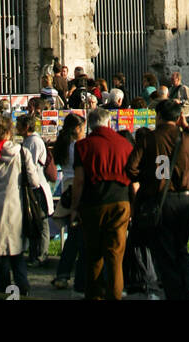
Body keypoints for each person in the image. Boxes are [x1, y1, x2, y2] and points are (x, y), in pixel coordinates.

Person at [127, 97, 189, 300]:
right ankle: (186, 288)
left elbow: (131, 168)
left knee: (164, 251)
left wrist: (147, 177)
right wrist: (187, 127)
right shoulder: (188, 140)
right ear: (179, 117)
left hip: (160, 200)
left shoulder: (149, 139)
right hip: (185, 199)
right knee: (181, 247)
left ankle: (175, 293)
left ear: (159, 116)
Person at [69, 108, 135, 301]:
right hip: (121, 201)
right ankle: (115, 297)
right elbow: (134, 180)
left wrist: (74, 207)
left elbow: (79, 181)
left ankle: (95, 295)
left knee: (94, 256)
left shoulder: (83, 146)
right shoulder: (125, 145)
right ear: (109, 123)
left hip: (93, 203)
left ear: (90, 124)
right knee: (115, 257)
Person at [0, 113, 47, 297]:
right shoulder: (21, 152)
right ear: (8, 132)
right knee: (18, 258)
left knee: (0, 260)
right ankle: (22, 291)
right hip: (17, 207)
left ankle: (6, 294)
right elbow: (34, 180)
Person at [51, 113, 86, 292]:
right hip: (76, 189)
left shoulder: (63, 145)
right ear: (77, 129)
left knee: (74, 235)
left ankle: (63, 274)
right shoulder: (78, 147)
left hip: (66, 187)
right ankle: (66, 274)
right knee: (77, 236)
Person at [16, 112, 54, 262]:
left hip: (37, 188)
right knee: (34, 222)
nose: (16, 128)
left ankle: (41, 255)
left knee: (41, 222)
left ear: (26, 127)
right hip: (34, 187)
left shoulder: (33, 142)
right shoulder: (28, 141)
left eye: (19, 126)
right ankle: (35, 253)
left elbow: (30, 165)